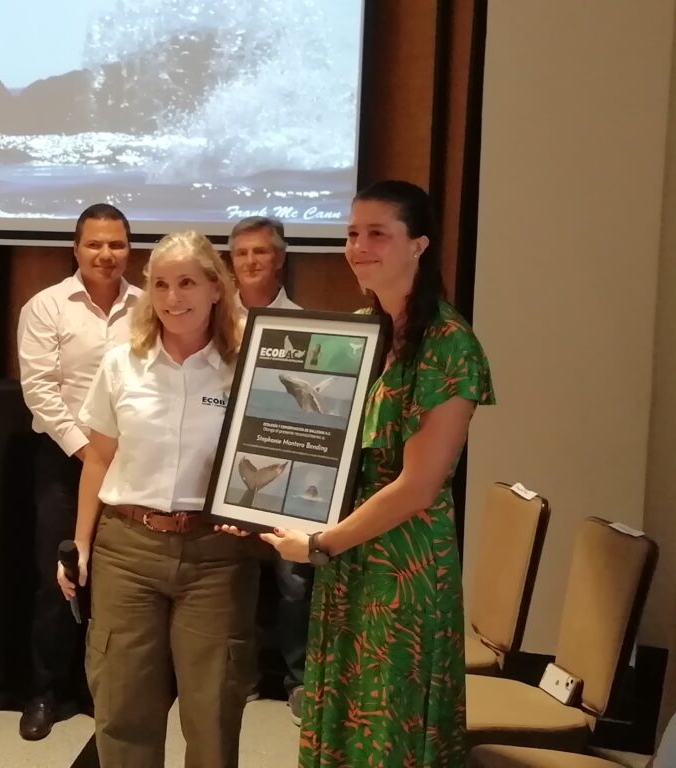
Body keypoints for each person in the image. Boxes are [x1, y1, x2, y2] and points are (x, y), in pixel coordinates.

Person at [259, 181, 495, 767]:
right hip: (351, 556)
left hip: (402, 568)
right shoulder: (364, 328)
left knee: (389, 726)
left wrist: (319, 543)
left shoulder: (450, 345)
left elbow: (418, 487)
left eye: (376, 234)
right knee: (345, 716)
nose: (358, 246)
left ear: (418, 244)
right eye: (351, 233)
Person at [57, 231, 258, 767]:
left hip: (216, 555)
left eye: (187, 282)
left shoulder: (248, 366)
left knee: (212, 710)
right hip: (129, 550)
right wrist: (81, 544)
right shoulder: (123, 362)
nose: (173, 298)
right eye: (161, 284)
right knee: (123, 707)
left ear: (217, 287)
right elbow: (99, 459)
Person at [16, 203, 141, 741]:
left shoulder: (149, 307)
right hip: (65, 464)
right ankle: (45, 691)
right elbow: (40, 391)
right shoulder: (47, 307)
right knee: (62, 578)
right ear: (76, 248)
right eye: (95, 244)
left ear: (129, 249)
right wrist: (87, 450)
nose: (106, 254)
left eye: (116, 244)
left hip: (136, 464)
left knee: (118, 581)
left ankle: (102, 691)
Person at [228, 216, 310, 724]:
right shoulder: (212, 322)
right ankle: (241, 675)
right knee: (228, 571)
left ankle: (300, 678)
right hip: (226, 470)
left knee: (294, 577)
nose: (252, 261)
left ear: (279, 258)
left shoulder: (306, 323)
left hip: (288, 467)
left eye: (262, 252)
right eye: (242, 254)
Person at [229, 216, 301, 315]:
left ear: (280, 258)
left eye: (260, 252)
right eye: (242, 253)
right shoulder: (215, 318)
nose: (250, 261)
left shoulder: (300, 322)